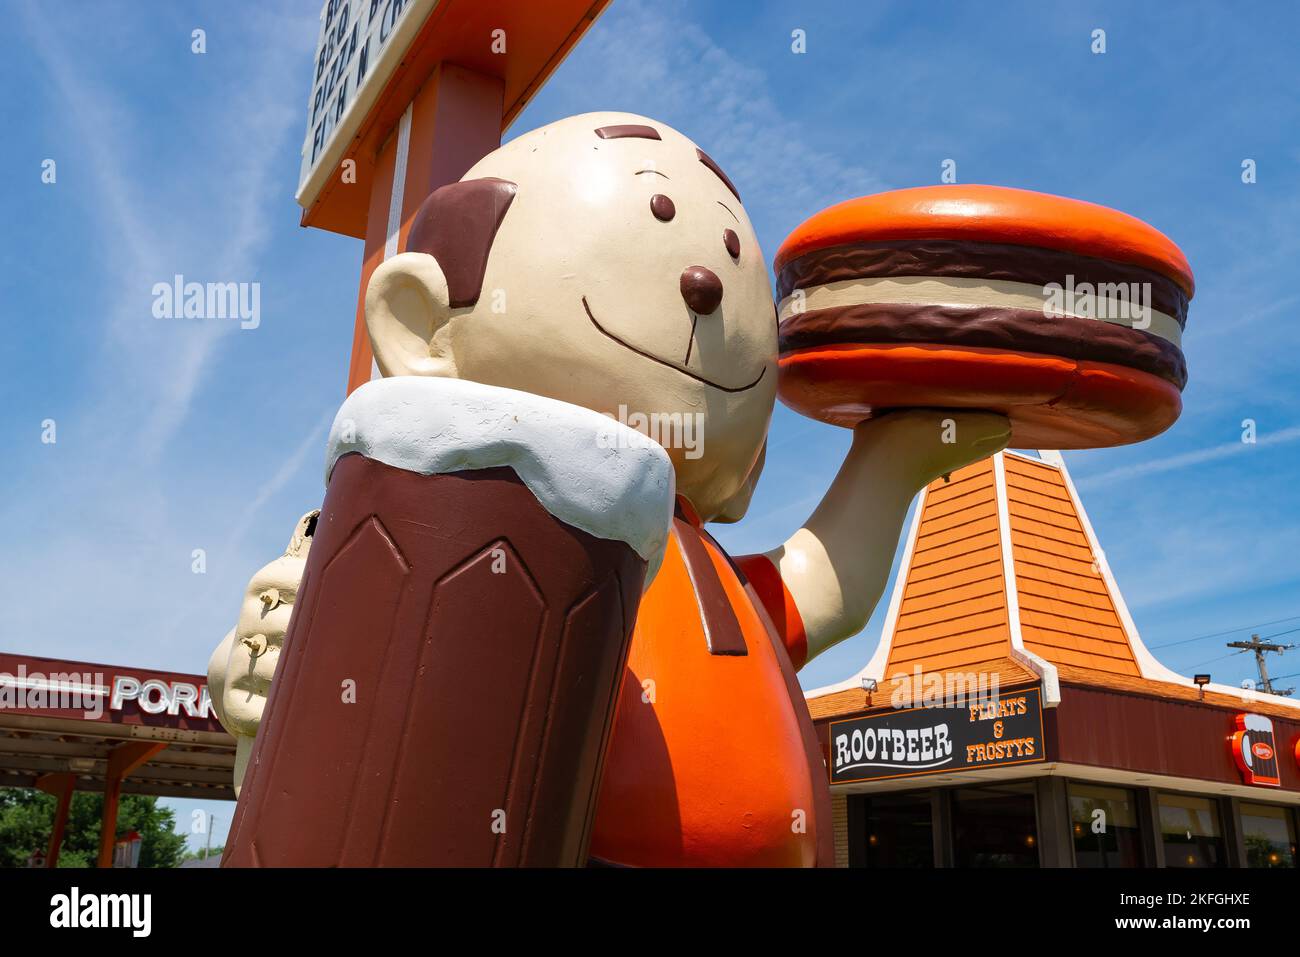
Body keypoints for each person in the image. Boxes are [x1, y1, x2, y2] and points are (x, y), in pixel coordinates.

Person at [209, 112, 1009, 866]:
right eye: (658, 220)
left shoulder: (712, 572)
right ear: (421, 324)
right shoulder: (464, 535)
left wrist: (893, 459)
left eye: (730, 255)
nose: (704, 283)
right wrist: (277, 669)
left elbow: (822, 587)